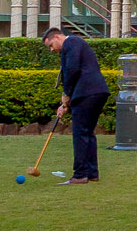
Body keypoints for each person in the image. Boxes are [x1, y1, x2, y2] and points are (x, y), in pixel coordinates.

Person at [44, 23, 111, 183]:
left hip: (88, 92)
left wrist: (66, 94)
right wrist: (65, 104)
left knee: (80, 133)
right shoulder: (76, 44)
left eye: (51, 45)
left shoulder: (71, 43)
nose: (52, 50)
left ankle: (80, 174)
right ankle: (92, 173)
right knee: (87, 132)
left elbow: (71, 70)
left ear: (58, 37)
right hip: (96, 91)